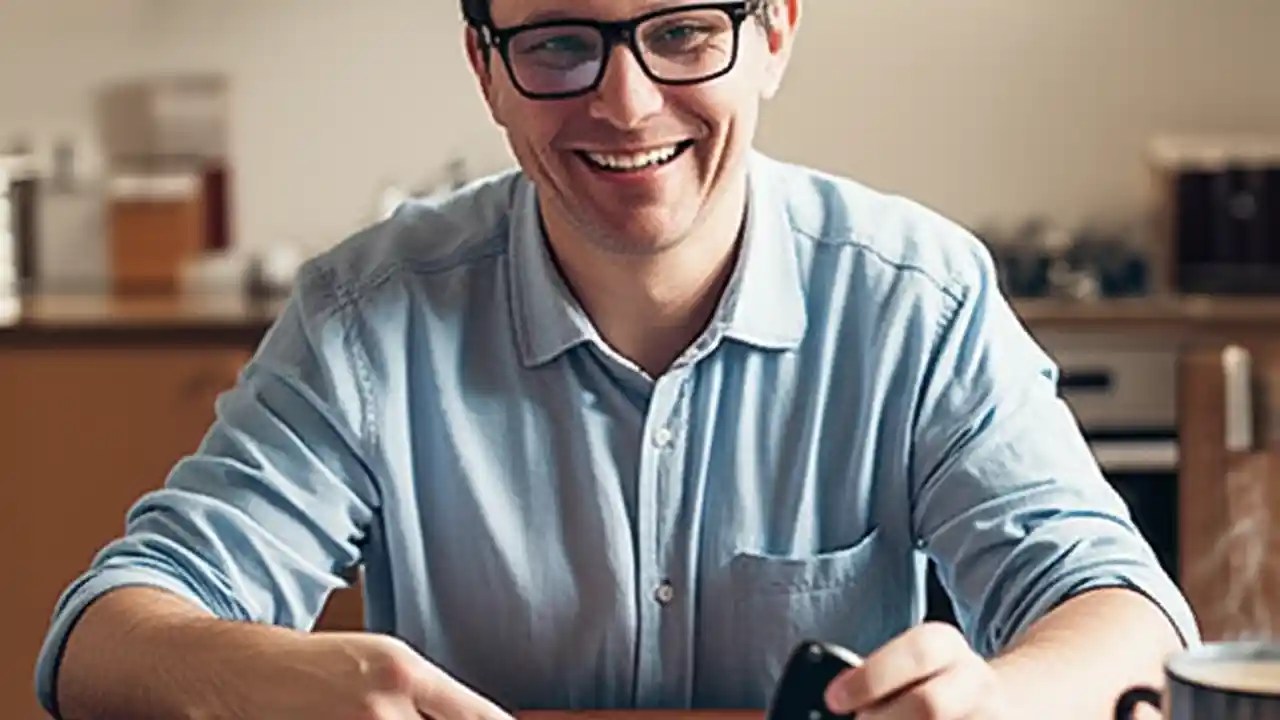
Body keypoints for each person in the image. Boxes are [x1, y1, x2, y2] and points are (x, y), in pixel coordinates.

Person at [38, 0, 1197, 718]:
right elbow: (100, 639)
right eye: (556, 43)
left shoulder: (916, 295)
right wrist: (286, 682)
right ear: (487, 68)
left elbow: (1125, 612)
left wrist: (997, 699)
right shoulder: (366, 316)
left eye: (682, 30)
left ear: (773, 32)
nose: (627, 102)